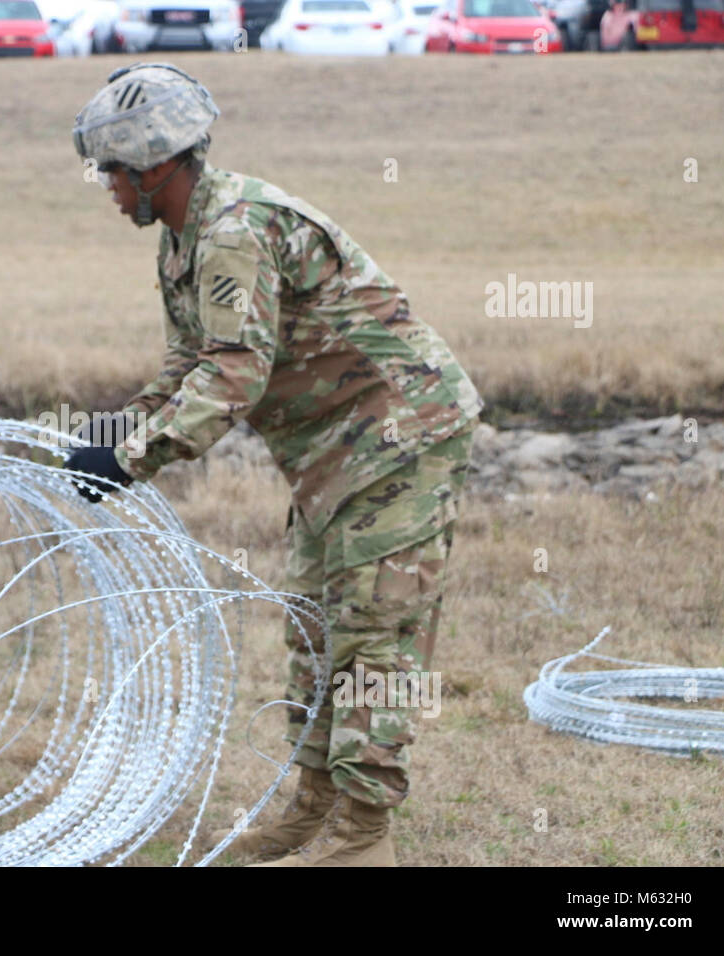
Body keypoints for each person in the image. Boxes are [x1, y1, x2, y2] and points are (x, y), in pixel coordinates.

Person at [65, 63, 483, 866]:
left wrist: (130, 460)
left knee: (372, 633)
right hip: (332, 452)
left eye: (111, 173)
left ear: (153, 167)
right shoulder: (185, 238)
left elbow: (232, 379)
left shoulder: (232, 232)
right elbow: (192, 360)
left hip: (400, 436)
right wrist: (121, 427)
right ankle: (313, 807)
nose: (108, 190)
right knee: (311, 623)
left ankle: (363, 837)